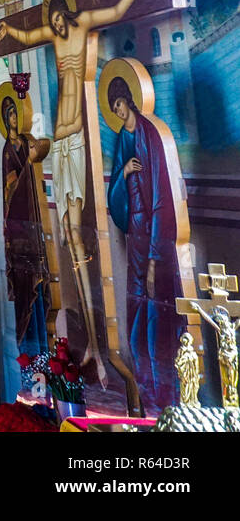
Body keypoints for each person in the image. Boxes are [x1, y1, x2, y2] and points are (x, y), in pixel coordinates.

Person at [0, 0, 167, 380]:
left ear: (68, 11)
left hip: (80, 136)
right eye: (51, 17)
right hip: (61, 132)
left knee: (88, 229)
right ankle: (90, 342)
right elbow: (26, 33)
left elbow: (113, 8)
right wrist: (7, 31)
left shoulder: (84, 24)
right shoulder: (52, 35)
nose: (55, 21)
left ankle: (104, 346)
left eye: (58, 14)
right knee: (72, 234)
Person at [106, 74, 184, 410]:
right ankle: (144, 384)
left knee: (157, 308)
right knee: (136, 305)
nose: (118, 110)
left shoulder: (152, 134)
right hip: (135, 233)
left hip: (155, 235)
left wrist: (154, 255)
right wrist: (123, 174)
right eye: (112, 107)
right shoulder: (123, 137)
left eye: (119, 103)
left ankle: (166, 388)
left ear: (129, 99)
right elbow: (114, 195)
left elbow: (162, 196)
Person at [0, 96, 52, 351]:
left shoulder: (25, 142)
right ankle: (28, 348)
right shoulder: (7, 150)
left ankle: (42, 345)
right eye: (9, 115)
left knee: (40, 284)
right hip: (19, 225)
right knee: (25, 286)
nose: (13, 119)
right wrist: (28, 163)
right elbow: (10, 189)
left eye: (14, 114)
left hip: (34, 222)